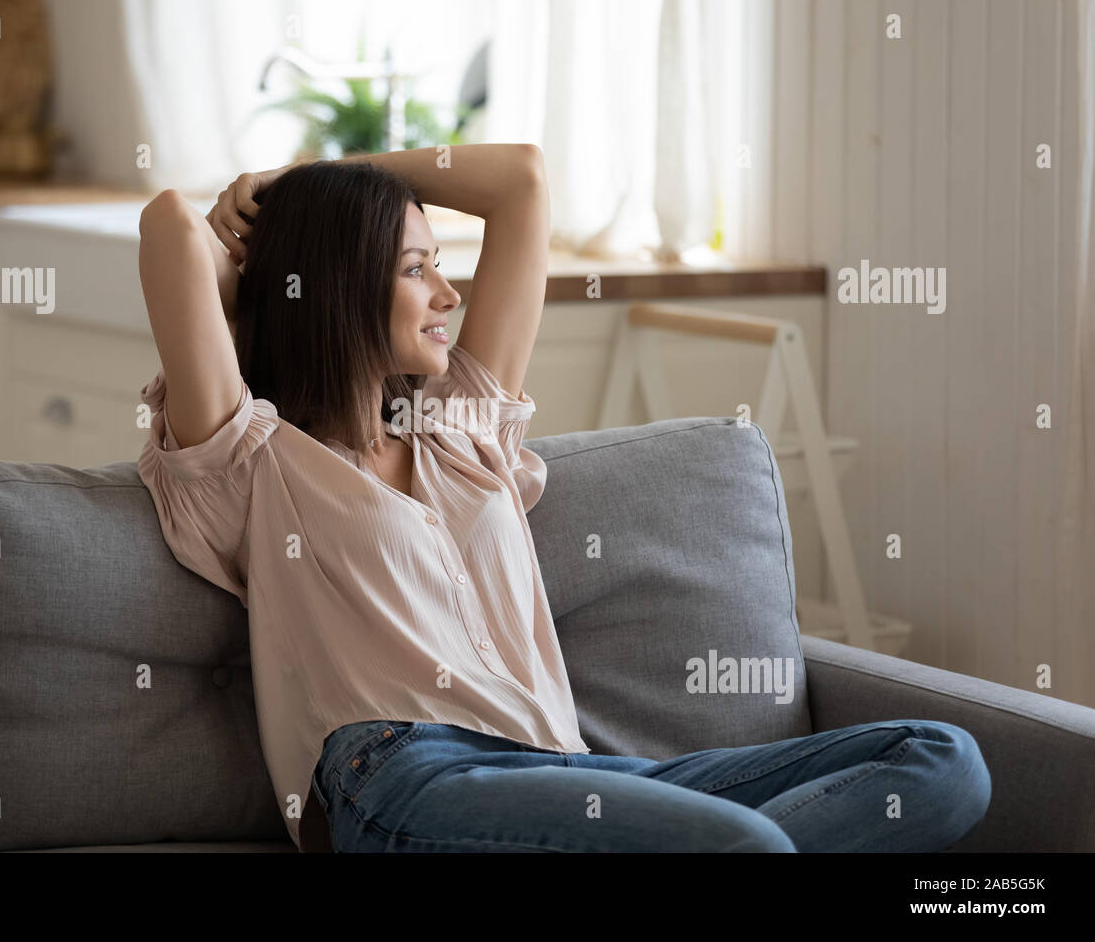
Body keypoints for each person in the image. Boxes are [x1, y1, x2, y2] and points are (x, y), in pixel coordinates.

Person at [135, 144, 991, 852]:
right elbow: (169, 226)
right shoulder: (251, 463)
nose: (448, 294)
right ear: (335, 283)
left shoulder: (462, 432)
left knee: (943, 760)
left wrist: (319, 176)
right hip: (401, 779)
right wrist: (289, 215)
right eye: (415, 270)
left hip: (569, 774)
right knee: (744, 845)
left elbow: (522, 183)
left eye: (440, 266)